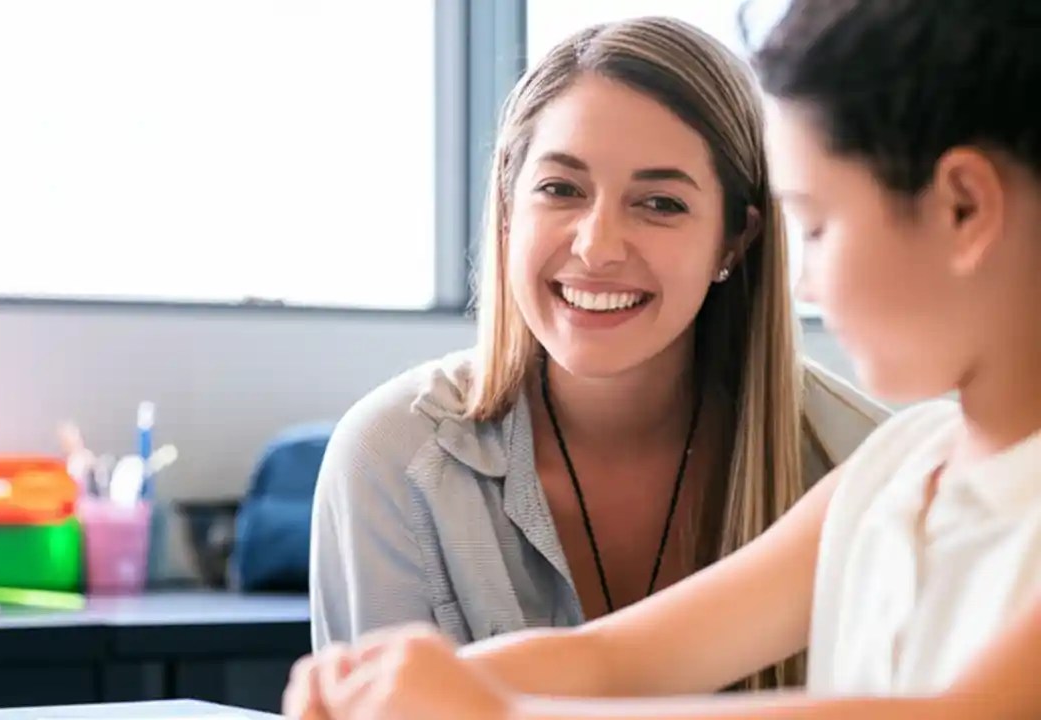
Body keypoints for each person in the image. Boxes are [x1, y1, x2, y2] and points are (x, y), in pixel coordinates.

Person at [285, 0, 1041, 718]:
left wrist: (497, 712)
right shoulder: (892, 475)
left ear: (963, 210)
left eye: (815, 225)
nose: (803, 280)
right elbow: (611, 661)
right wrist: (389, 688)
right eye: (560, 188)